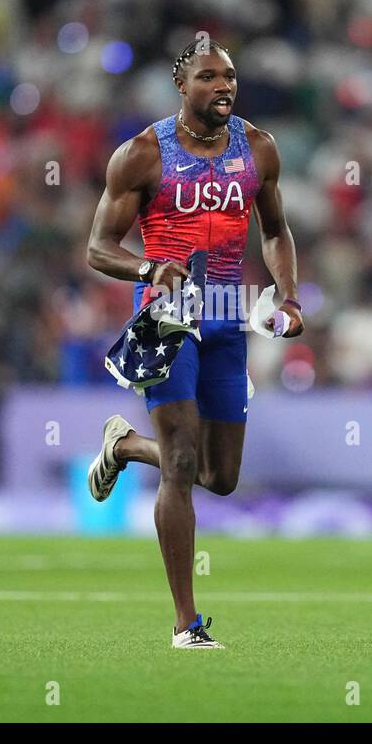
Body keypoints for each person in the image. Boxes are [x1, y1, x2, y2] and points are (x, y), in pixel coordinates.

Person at [86, 39, 304, 649]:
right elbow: (98, 246)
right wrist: (148, 269)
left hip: (229, 316)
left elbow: (278, 231)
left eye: (230, 76)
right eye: (208, 76)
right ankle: (187, 623)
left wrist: (288, 297)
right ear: (181, 86)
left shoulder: (258, 149)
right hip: (167, 316)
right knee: (182, 464)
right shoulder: (141, 155)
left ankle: (126, 446)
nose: (223, 86)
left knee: (221, 475)